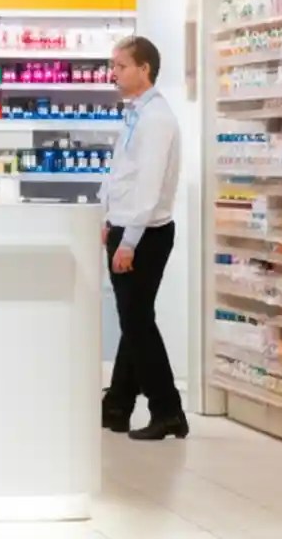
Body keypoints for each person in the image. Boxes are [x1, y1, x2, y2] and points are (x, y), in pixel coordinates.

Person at [100, 35, 186, 441]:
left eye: (119, 66)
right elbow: (121, 171)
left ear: (144, 69)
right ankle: (116, 406)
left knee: (138, 324)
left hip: (145, 234)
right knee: (134, 322)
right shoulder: (136, 114)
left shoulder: (156, 120)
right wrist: (107, 215)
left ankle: (167, 409)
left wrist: (129, 241)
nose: (112, 73)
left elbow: (149, 188)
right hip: (127, 226)